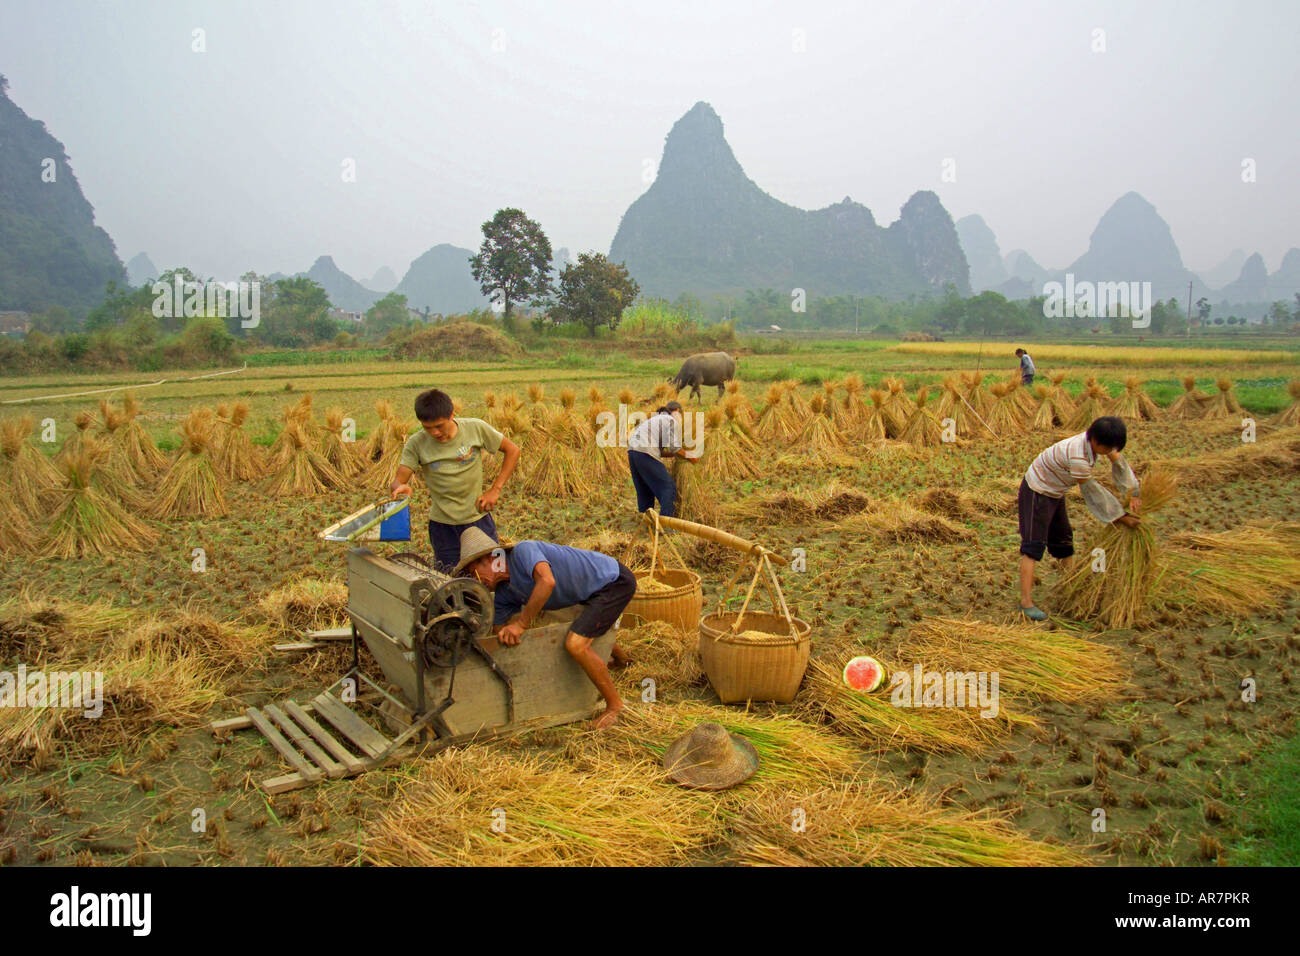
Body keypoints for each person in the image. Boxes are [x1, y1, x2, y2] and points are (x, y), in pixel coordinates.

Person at [456, 528, 634, 729]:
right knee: (577, 625)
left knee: (576, 644)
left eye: (473, 573)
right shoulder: (504, 593)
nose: (476, 580)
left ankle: (615, 707)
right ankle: (622, 660)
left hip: (612, 581)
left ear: (488, 559)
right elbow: (499, 630)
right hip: (585, 595)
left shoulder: (524, 552)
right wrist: (501, 638)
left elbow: (547, 582)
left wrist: (521, 624)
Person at [1017, 416, 1141, 621]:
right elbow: (1093, 494)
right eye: (1108, 447)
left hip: (1056, 491)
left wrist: (1134, 491)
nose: (1111, 451)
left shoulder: (1100, 441)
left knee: (1064, 542)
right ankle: (1026, 603)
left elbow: (1120, 464)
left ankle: (1070, 588)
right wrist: (1121, 517)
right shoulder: (1078, 458)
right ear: (1095, 442)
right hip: (1037, 491)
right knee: (1033, 547)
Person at [390, 388, 521, 572]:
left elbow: (513, 450)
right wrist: (400, 487)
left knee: (493, 575)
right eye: (427, 428)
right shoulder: (416, 443)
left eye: (439, 426)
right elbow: (398, 481)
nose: (434, 433)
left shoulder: (475, 428)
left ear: (452, 414)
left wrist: (495, 490)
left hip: (478, 518)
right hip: (443, 526)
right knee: (450, 579)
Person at [627, 401, 694, 518]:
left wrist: (673, 455)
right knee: (668, 487)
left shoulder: (654, 420)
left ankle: (647, 522)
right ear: (677, 411)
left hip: (632, 452)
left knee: (645, 491)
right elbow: (676, 448)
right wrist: (692, 457)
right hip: (644, 451)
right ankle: (665, 523)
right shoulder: (671, 420)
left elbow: (659, 451)